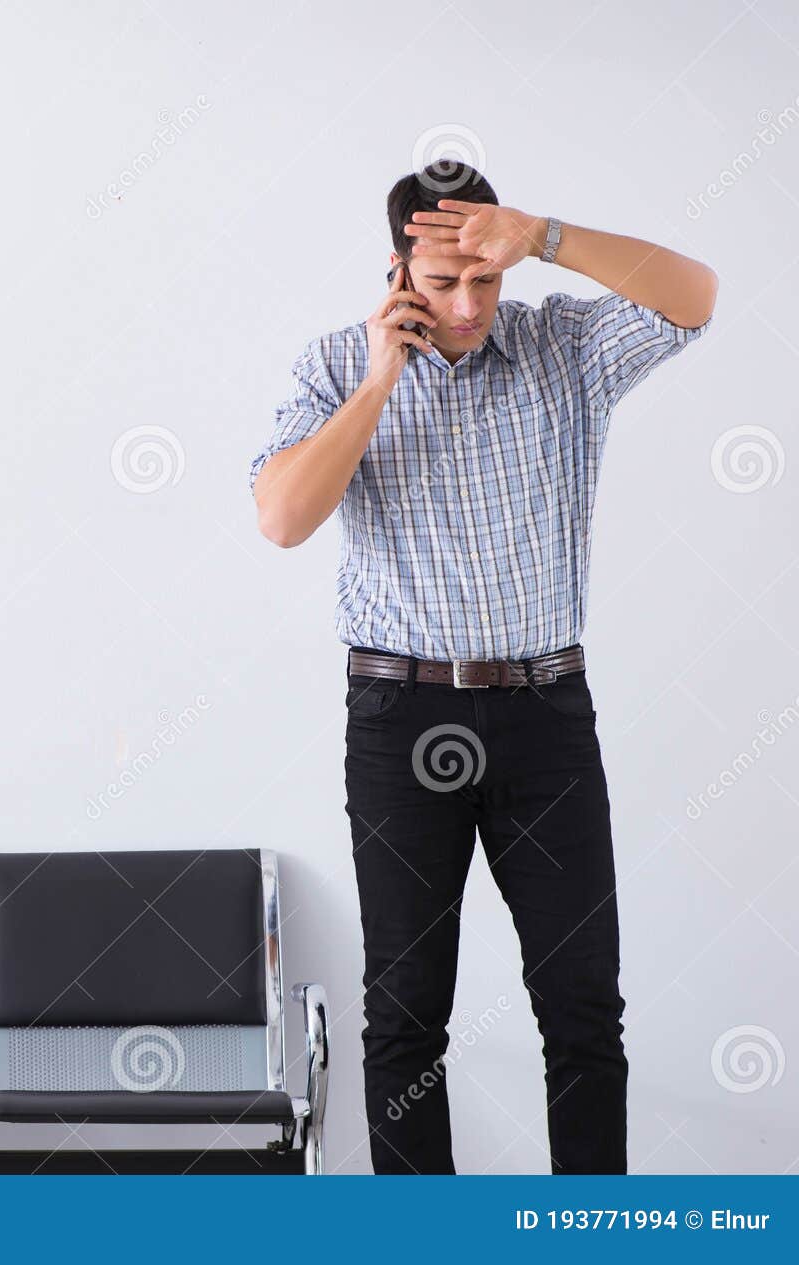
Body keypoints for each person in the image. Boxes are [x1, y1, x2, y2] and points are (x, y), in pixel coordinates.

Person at [249, 161, 717, 1174]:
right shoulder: (334, 366)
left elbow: (695, 295)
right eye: (443, 283)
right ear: (397, 272)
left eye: (484, 279)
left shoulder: (562, 347)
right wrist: (381, 379)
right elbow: (283, 518)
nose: (467, 306)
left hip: (544, 711)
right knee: (407, 1009)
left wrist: (545, 235)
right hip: (399, 717)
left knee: (582, 1000)